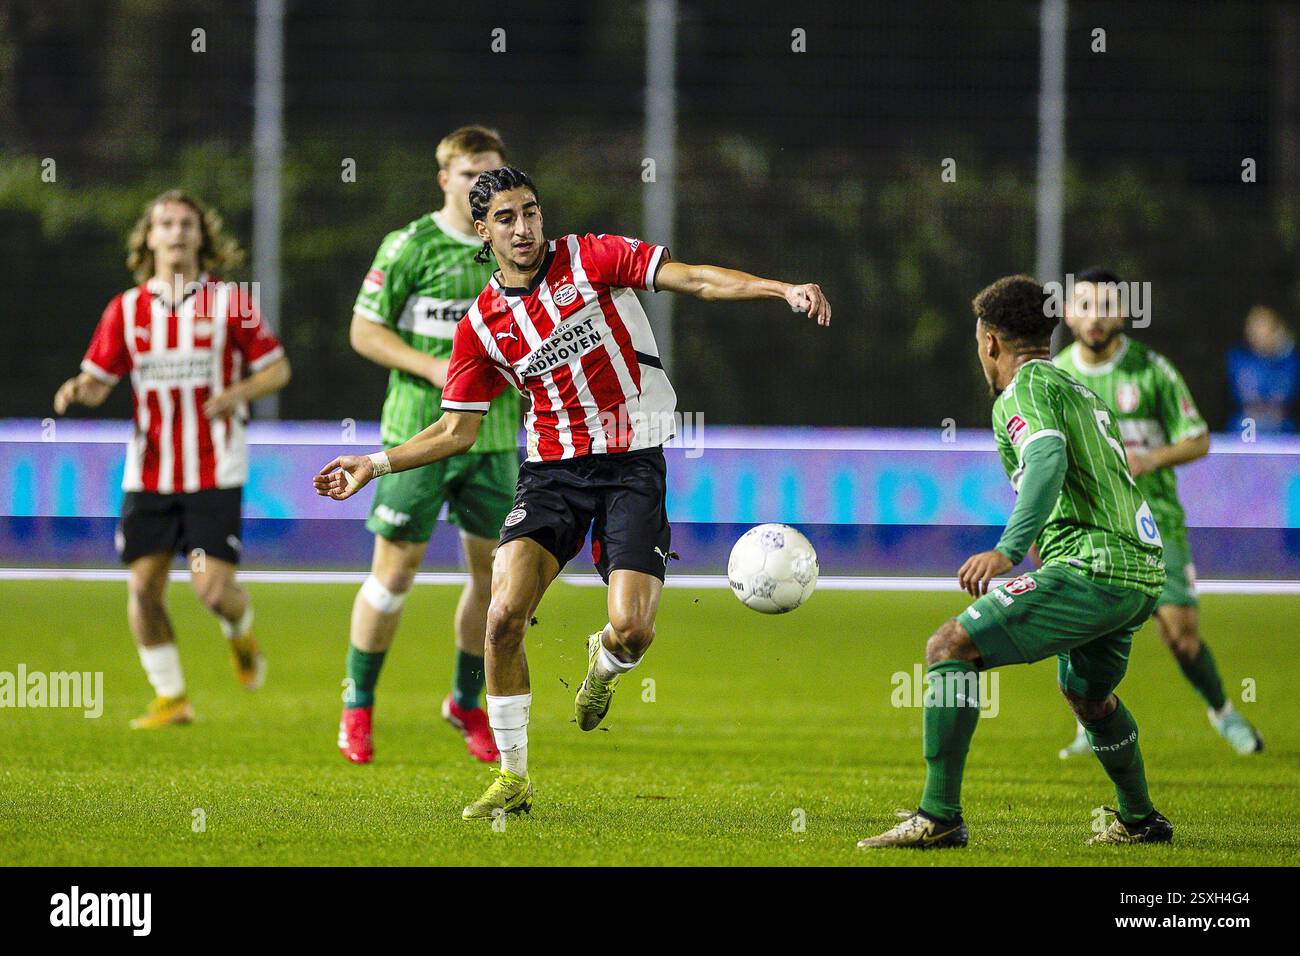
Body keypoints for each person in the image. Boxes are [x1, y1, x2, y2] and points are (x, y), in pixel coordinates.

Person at [315, 166, 831, 820]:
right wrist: (373, 462)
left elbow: (695, 278)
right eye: (506, 218)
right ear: (483, 231)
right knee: (502, 616)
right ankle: (514, 776)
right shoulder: (483, 326)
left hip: (631, 467)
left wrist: (782, 289)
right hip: (552, 475)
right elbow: (455, 429)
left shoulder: (592, 257)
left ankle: (605, 665)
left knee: (633, 630)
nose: (524, 227)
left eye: (530, 211)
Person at [858, 275, 1170, 849]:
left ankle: (939, 816)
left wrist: (1008, 548)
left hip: (1094, 566)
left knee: (948, 648)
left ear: (990, 342)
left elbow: (1047, 459)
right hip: (1141, 571)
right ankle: (1141, 819)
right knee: (1088, 696)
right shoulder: (1075, 388)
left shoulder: (1021, 392)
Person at [53, 190, 290, 728]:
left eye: (187, 223)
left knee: (210, 588)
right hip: (150, 471)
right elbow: (99, 381)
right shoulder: (126, 308)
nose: (178, 232)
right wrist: (77, 390)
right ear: (150, 237)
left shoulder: (233, 301)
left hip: (214, 468)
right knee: (143, 586)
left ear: (201, 237)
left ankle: (239, 627)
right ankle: (171, 697)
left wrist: (237, 394)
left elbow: (277, 370)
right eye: (167, 223)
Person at [338, 126, 521, 765]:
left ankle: (466, 705)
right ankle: (358, 705)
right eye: (471, 174)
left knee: (494, 585)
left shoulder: (516, 248)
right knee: (393, 578)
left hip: (494, 441)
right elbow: (364, 330)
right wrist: (431, 367)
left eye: (493, 173)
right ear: (445, 178)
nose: (483, 184)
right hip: (418, 435)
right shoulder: (412, 245)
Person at [1055, 268, 1263, 756]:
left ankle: (1223, 712)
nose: (1094, 317)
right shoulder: (1059, 375)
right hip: (1090, 526)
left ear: (1123, 313)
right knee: (1082, 630)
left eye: (1106, 306)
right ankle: (1091, 724)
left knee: (1182, 638)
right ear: (1067, 313)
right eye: (1084, 305)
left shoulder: (1152, 370)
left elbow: (1199, 438)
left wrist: (1149, 458)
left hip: (1156, 522)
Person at [1226, 304, 1297, 435]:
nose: (1254, 331)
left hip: (1281, 427)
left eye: (1262, 325)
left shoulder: (1289, 360)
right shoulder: (1238, 357)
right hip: (1246, 425)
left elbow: (1286, 394)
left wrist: (1282, 349)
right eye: (1251, 325)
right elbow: (1246, 396)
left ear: (1276, 329)